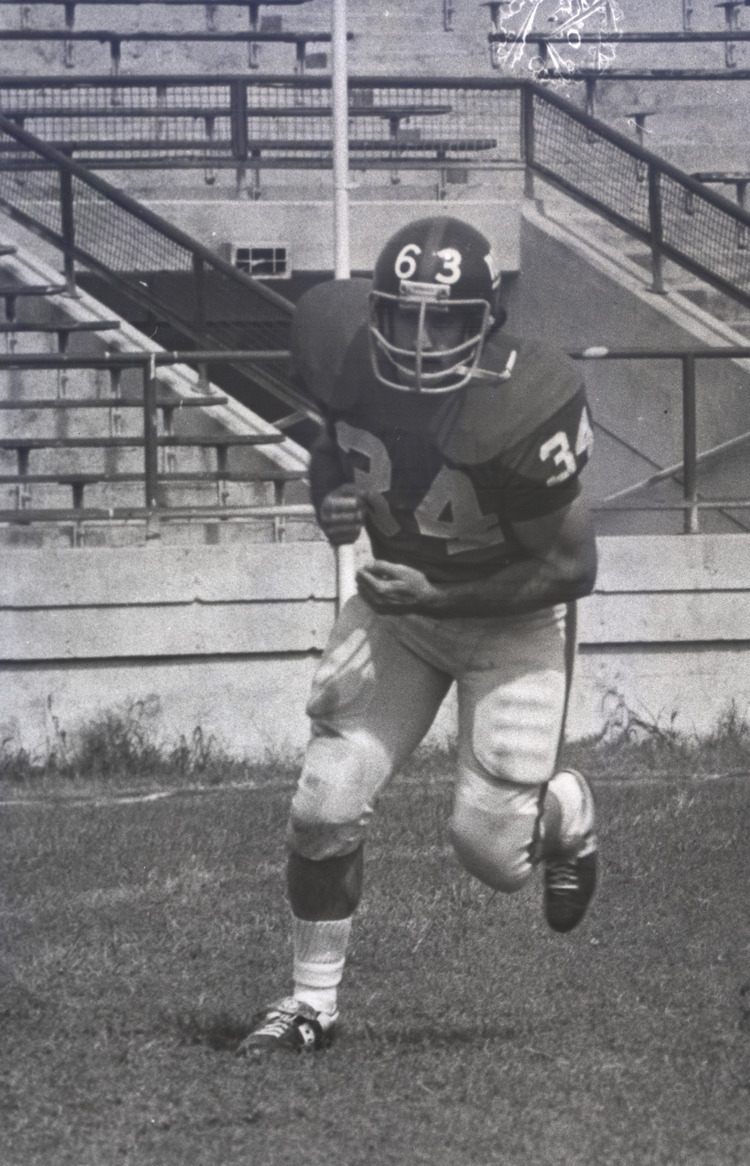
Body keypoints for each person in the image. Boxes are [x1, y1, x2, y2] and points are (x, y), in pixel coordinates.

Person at [236, 215, 599, 1056]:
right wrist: (329, 497)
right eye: (403, 316)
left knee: (490, 853)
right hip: (402, 612)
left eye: (445, 320)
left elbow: (574, 567)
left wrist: (443, 587)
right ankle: (309, 1004)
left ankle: (562, 811)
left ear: (487, 321)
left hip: (510, 621)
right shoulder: (337, 347)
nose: (422, 340)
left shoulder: (527, 395)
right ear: (375, 312)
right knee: (323, 801)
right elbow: (333, 451)